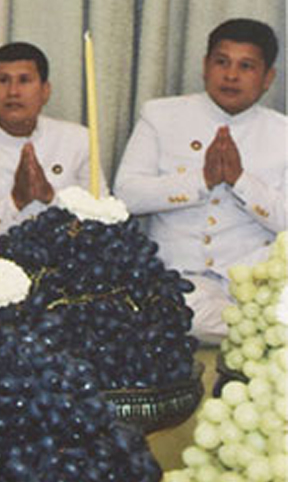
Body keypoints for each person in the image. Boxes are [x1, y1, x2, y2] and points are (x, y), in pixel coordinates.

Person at [115, 18, 285, 344]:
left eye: (246, 66)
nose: (231, 75)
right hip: (182, 281)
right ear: (205, 66)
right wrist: (202, 180)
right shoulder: (162, 116)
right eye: (221, 62)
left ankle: (259, 333)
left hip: (259, 282)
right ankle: (263, 337)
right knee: (179, 315)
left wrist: (240, 181)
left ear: (267, 79)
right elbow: (126, 196)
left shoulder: (282, 135)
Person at [0, 42, 93, 256]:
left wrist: (50, 197)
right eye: (2, 81)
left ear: (45, 91)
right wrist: (14, 202)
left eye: (24, 80)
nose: (13, 92)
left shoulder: (78, 140)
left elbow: (103, 221)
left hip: (64, 272)